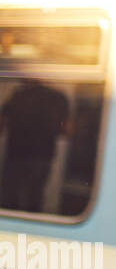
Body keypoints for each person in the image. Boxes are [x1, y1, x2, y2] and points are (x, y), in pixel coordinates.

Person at [0, 78, 71, 213]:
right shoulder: (58, 97)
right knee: (34, 199)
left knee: (9, 201)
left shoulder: (17, 95)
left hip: (15, 154)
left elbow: (1, 126)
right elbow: (67, 131)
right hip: (42, 155)